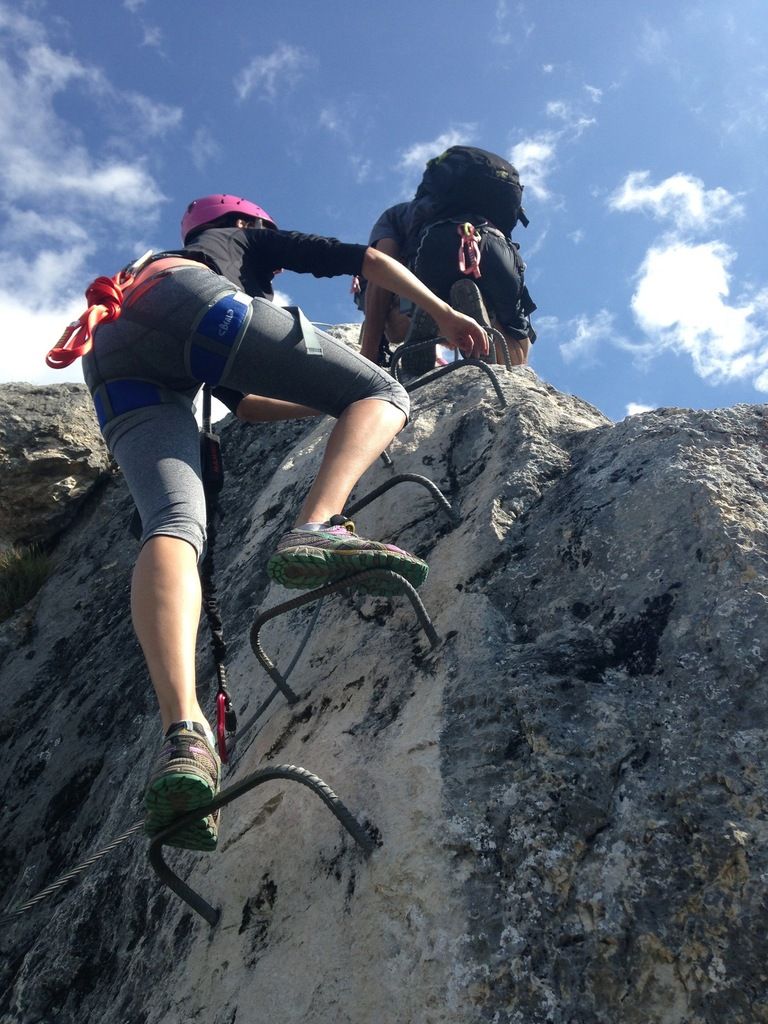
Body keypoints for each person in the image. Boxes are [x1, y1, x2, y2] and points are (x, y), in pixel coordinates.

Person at [63, 194, 488, 852]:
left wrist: (326, 404)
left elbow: (249, 406)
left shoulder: (168, 257)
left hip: (113, 346)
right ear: (247, 223)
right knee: (384, 392)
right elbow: (372, 260)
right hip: (188, 303)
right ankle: (319, 524)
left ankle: (185, 736)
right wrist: (442, 312)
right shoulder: (248, 242)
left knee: (173, 524)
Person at [359, 168, 537, 373]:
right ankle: (484, 317)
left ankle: (433, 313)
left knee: (393, 326)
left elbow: (381, 268)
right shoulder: (485, 212)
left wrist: (369, 354)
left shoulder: (398, 215)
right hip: (493, 252)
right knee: (517, 354)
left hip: (432, 263)